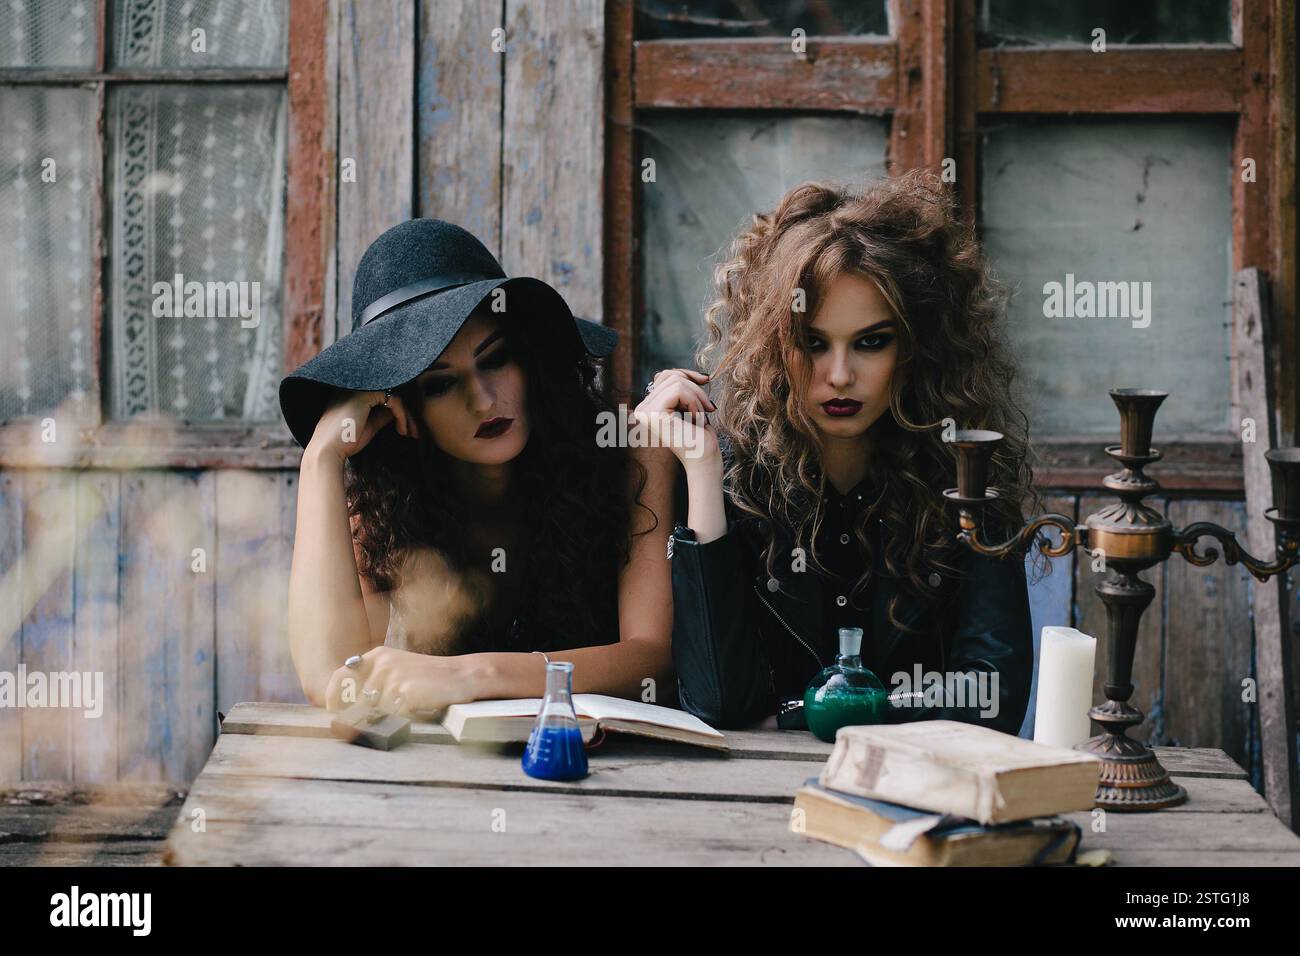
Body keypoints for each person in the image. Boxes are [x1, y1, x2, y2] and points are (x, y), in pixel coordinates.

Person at [636, 170, 1036, 733]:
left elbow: (991, 701)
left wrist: (804, 712)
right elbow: (720, 704)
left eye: (872, 342)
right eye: (812, 343)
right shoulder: (729, 471)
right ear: (773, 346)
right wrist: (704, 474)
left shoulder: (966, 475)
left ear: (916, 348)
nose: (840, 376)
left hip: (918, 793)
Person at [280, 219, 675, 717]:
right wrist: (321, 458)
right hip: (446, 780)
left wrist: (471, 675)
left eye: (495, 359)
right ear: (399, 405)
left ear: (529, 358)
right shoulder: (385, 504)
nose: (484, 400)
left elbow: (652, 666)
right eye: (440, 385)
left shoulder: (633, 455)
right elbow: (334, 678)